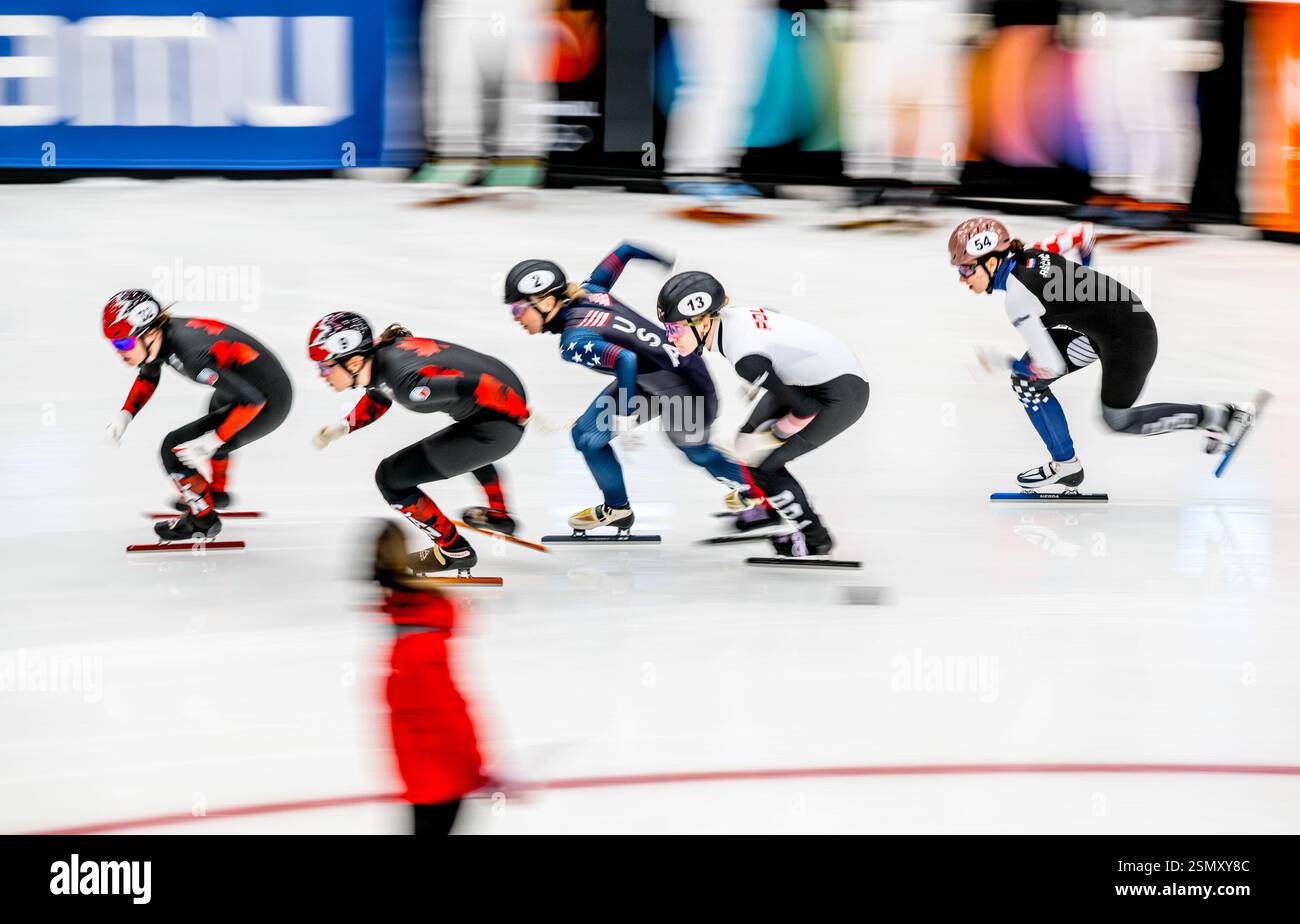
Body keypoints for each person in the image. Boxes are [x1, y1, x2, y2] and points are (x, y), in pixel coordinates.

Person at [948, 217, 1256, 490]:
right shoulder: (1035, 251)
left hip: (1130, 340)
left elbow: (1050, 366)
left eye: (966, 268)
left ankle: (1221, 417)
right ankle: (1066, 466)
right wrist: (1085, 287)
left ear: (992, 263)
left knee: (1116, 419)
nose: (962, 278)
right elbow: (1083, 233)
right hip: (1108, 328)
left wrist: (1004, 361)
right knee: (1027, 382)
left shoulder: (1017, 300)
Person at [504, 241, 756, 533]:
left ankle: (760, 491)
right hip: (653, 377)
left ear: (547, 302)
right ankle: (617, 509)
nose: (515, 317)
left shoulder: (574, 341)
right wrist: (668, 261)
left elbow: (625, 359)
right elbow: (625, 250)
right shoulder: (592, 289)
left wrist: (624, 415)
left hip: (686, 390)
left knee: (695, 451)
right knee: (586, 436)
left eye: (518, 308)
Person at [656, 271, 869, 558]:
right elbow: (771, 316)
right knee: (745, 442)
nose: (671, 338)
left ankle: (816, 540)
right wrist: (764, 381)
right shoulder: (733, 318)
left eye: (675, 329)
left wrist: (773, 436)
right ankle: (768, 506)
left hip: (841, 394)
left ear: (703, 321)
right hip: (813, 374)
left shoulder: (746, 360)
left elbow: (805, 409)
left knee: (765, 466)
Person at [310, 312, 528, 573]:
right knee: (460, 445)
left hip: (501, 419)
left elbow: (477, 385)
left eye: (325, 367)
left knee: (391, 477)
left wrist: (523, 412)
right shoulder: (381, 357)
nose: (321, 375)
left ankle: (454, 550)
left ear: (354, 363)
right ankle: (500, 515)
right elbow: (379, 395)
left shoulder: (408, 387)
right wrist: (345, 426)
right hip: (495, 405)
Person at [102, 289, 292, 541]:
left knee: (173, 449)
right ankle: (216, 494)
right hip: (251, 388)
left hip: (267, 403)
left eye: (123, 343)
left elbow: (253, 401)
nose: (119, 352)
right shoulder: (163, 338)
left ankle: (202, 520)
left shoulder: (191, 356)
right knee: (215, 411)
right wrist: (125, 415)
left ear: (150, 334)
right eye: (114, 344)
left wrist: (212, 441)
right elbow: (148, 375)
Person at [373, 520, 486, 835]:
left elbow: (442, 708)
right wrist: (474, 766)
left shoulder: (410, 638)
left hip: (431, 776)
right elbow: (447, 707)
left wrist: (472, 767)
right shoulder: (411, 630)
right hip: (432, 775)